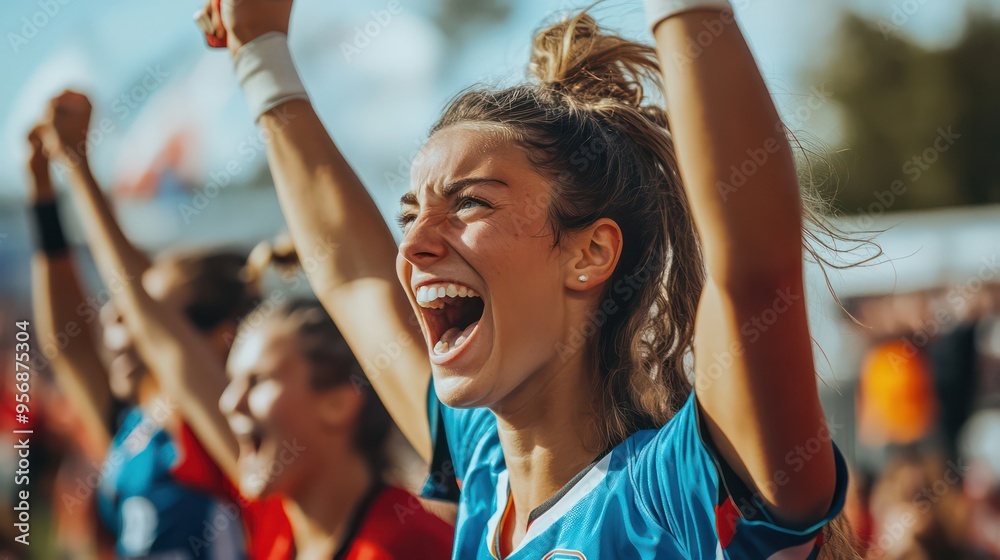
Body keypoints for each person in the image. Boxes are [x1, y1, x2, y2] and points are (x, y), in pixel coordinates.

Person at [201, 0, 857, 557]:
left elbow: (755, 272)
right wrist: (260, 49)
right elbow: (349, 275)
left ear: (590, 253)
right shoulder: (485, 471)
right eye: (410, 215)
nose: (415, 245)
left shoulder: (681, 489)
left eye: (470, 203)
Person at [27, 119, 250, 557]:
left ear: (217, 338)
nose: (116, 331)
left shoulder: (232, 428)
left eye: (142, 320)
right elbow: (68, 345)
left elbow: (132, 287)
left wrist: (77, 165)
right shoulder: (138, 425)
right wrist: (42, 194)